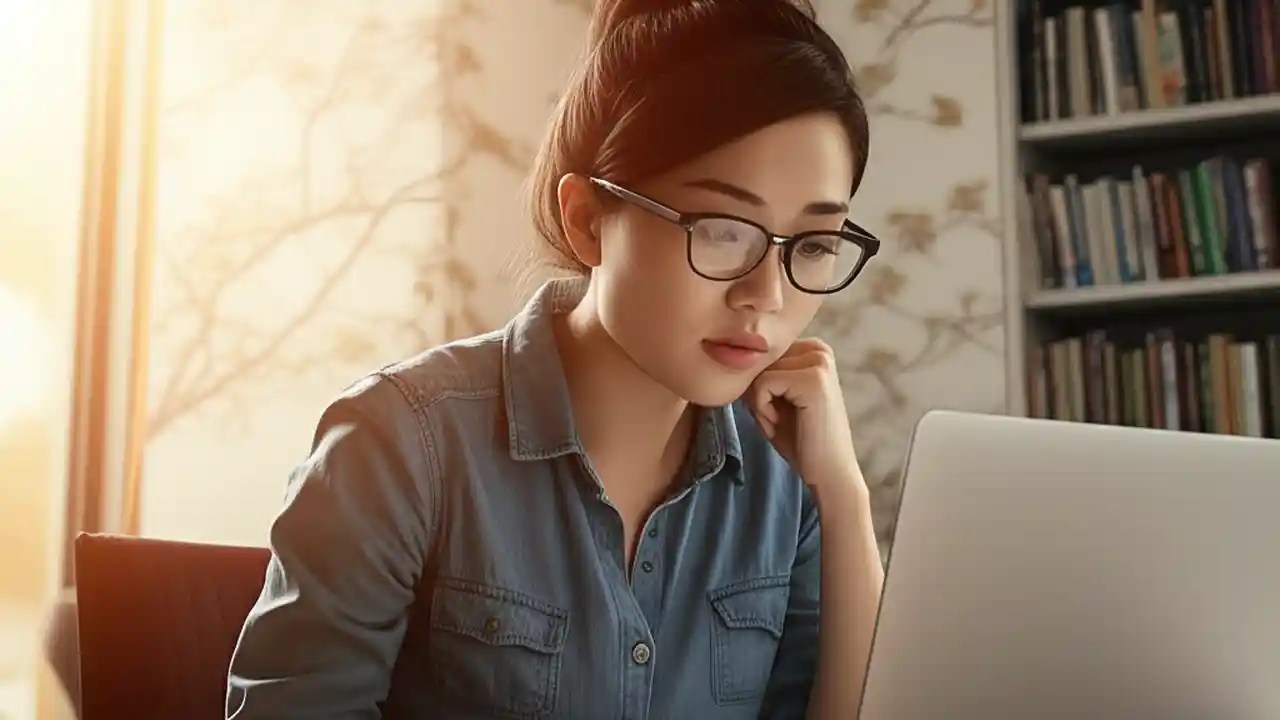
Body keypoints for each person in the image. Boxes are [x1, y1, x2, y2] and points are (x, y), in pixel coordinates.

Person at [225, 0, 885, 717]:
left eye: (813, 245)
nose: (767, 295)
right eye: (724, 231)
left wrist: (844, 498)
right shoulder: (399, 444)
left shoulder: (788, 482)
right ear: (588, 220)